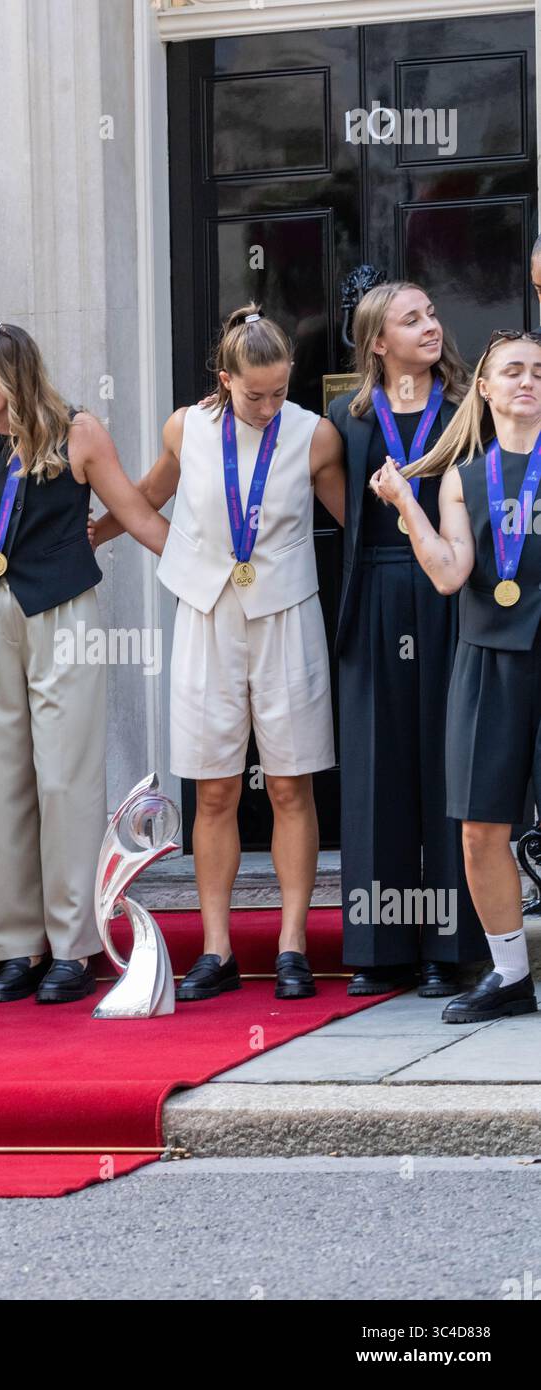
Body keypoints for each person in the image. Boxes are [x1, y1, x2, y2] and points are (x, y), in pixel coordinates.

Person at [95, 304, 345, 1001]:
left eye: (280, 391)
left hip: (287, 618)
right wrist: (89, 537)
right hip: (207, 616)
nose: (268, 406)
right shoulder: (187, 427)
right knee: (214, 790)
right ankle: (216, 948)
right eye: (253, 393)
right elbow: (147, 497)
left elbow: (357, 519)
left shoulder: (316, 436)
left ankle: (293, 944)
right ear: (224, 377)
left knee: (292, 784)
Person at [0, 320, 169, 1003]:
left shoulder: (77, 429)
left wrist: (209, 575)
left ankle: (72, 946)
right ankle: (15, 944)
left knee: (65, 782)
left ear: (18, 369)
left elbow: (132, 511)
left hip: (63, 615)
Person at [371, 328, 541, 1022]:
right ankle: (509, 975)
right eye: (513, 370)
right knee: (479, 828)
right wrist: (409, 506)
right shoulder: (463, 479)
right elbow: (449, 574)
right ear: (486, 387)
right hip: (486, 658)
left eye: (538, 370)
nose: (528, 380)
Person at [330, 282, 487, 997]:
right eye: (412, 318)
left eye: (432, 313)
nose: (432, 325)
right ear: (377, 343)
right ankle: (378, 947)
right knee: (375, 768)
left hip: (449, 593)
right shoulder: (344, 420)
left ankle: (448, 950)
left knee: (446, 763)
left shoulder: (465, 414)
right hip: (375, 594)